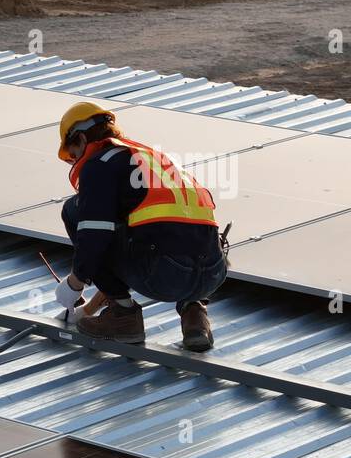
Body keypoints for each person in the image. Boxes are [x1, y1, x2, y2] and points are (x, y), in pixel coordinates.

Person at [52, 101, 228, 351]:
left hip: (165, 275)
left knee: (75, 210)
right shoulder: (154, 159)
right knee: (180, 234)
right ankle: (194, 314)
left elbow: (95, 235)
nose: (74, 162)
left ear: (80, 138)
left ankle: (124, 317)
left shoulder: (99, 163)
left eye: (72, 154)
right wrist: (88, 308)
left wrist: (74, 284)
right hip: (212, 274)